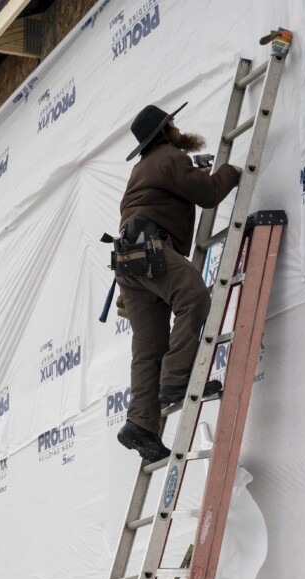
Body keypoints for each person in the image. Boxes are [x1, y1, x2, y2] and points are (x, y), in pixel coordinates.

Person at [113, 102, 241, 463]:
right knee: (195, 298)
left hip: (128, 261)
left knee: (148, 345)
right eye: (172, 122)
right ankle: (176, 382)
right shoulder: (170, 156)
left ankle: (141, 425)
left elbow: (171, 194)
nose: (176, 126)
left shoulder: (144, 167)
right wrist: (232, 170)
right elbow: (210, 194)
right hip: (150, 251)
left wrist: (192, 173)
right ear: (166, 131)